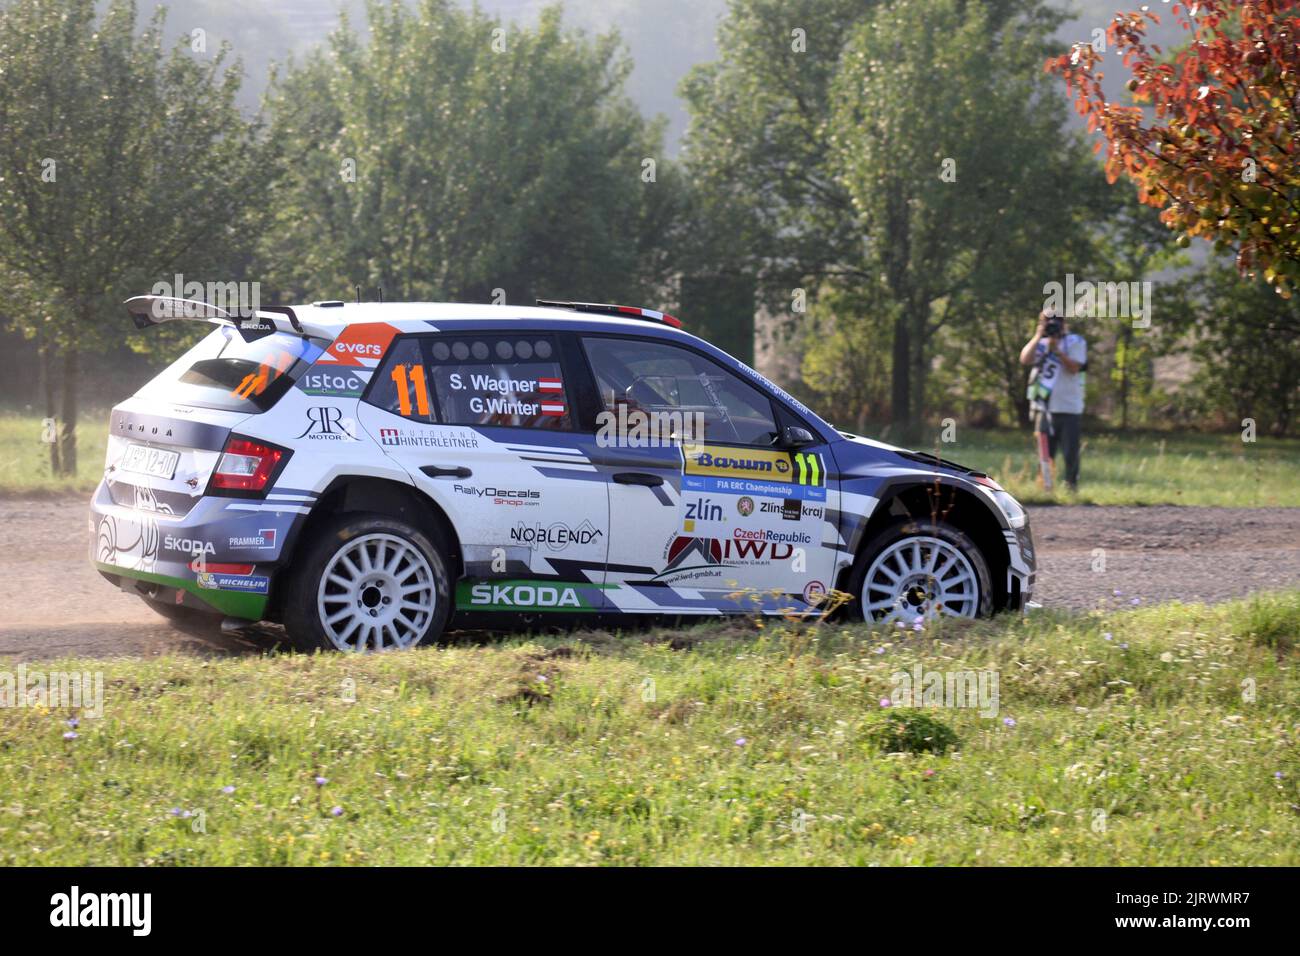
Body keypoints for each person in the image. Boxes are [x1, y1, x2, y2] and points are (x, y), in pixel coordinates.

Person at [1019, 309, 1087, 491]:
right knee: (1044, 453)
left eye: (1056, 322)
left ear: (1064, 323)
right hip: (1044, 407)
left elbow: (1074, 368)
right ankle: (1046, 487)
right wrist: (1038, 335)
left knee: (1070, 452)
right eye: (1048, 322)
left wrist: (1057, 351)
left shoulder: (1075, 341)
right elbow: (1025, 359)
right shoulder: (1040, 343)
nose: (1053, 325)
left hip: (1068, 407)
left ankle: (1071, 487)